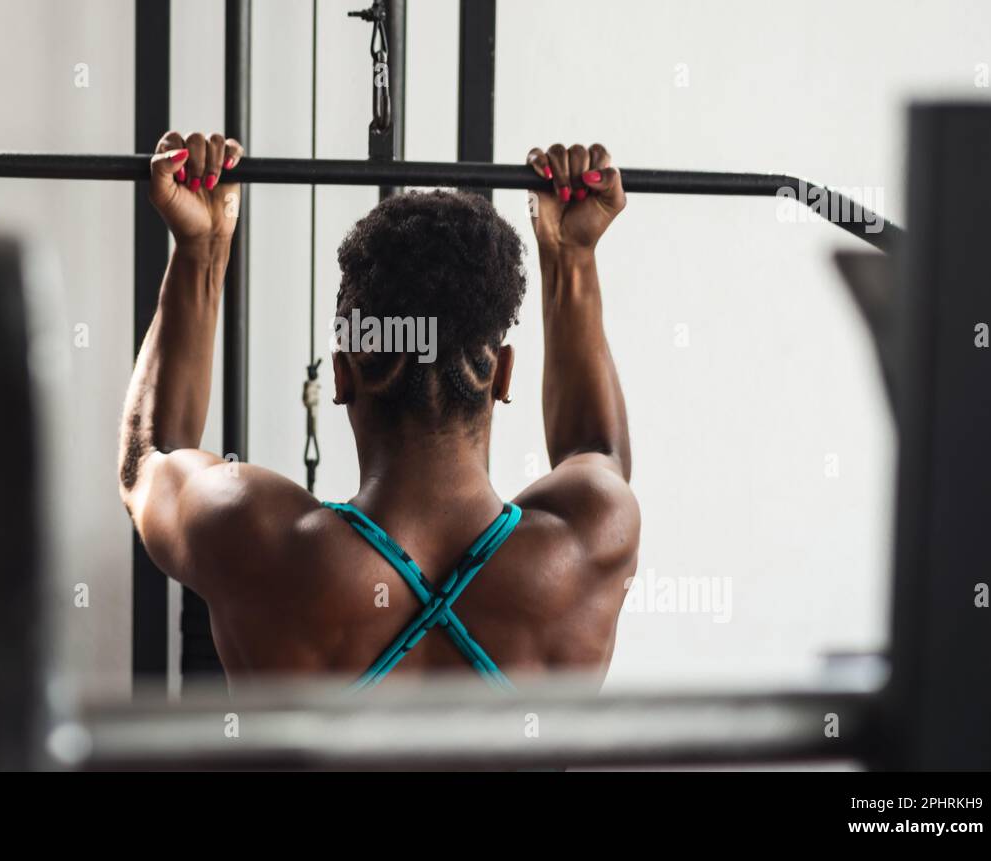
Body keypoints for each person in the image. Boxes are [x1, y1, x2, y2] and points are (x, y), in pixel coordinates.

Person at [119, 131, 639, 691]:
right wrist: (570, 257)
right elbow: (597, 450)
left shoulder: (260, 541)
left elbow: (149, 458)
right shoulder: (588, 540)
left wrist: (202, 250)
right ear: (503, 374)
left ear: (341, 376)